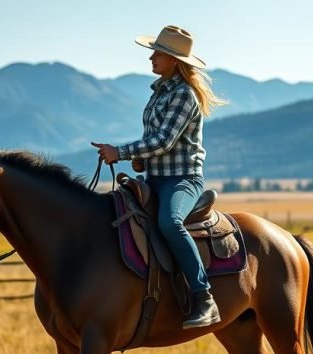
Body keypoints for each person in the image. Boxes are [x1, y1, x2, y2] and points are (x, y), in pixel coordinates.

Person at [93, 25, 224, 329]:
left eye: (158, 53)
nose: (152, 57)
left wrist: (121, 152)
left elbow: (164, 141)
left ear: (174, 60)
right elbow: (158, 142)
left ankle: (204, 297)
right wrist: (140, 160)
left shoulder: (184, 95)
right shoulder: (159, 94)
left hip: (182, 180)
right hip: (155, 177)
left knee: (169, 221)